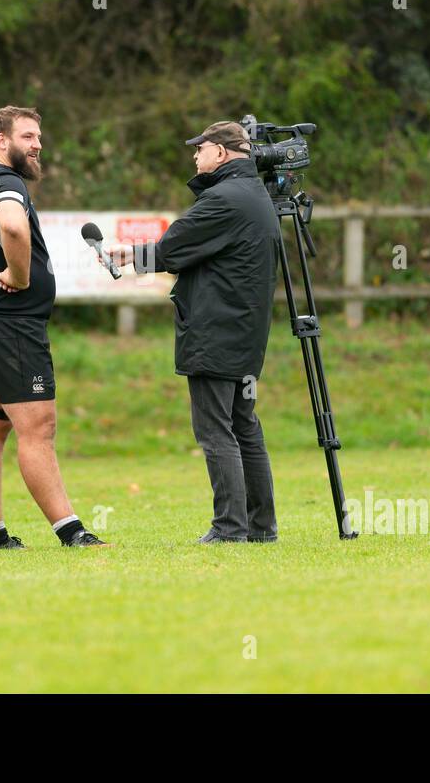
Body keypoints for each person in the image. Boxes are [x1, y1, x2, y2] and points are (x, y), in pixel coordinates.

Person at [106, 121, 281, 544]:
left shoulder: (223, 199)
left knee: (215, 430)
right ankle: (260, 527)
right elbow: (191, 245)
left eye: (199, 149)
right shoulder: (254, 195)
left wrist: (135, 256)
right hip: (245, 331)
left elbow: (174, 247)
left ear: (221, 153)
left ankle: (229, 528)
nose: (195, 156)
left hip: (215, 332)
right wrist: (137, 253)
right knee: (244, 426)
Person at [0, 105, 107, 550]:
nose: (37, 144)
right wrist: (20, 278)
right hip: (9, 324)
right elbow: (13, 228)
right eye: (27, 136)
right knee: (38, 428)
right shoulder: (5, 182)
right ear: (1, 141)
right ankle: (72, 532)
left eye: (38, 137)